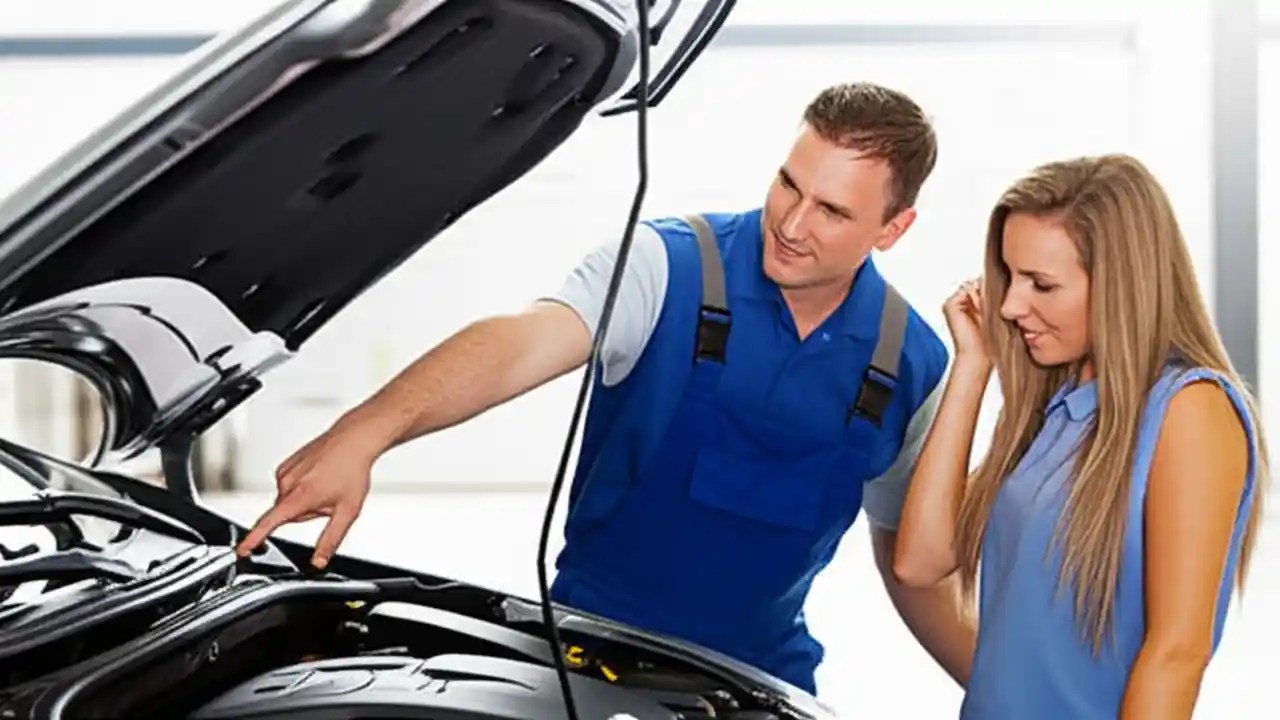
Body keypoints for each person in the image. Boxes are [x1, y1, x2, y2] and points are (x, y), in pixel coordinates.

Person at [235, 81, 978, 695]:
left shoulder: (909, 363)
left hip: (757, 686)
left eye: (833, 210)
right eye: (790, 183)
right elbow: (521, 340)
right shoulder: (667, 266)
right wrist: (367, 431)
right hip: (586, 662)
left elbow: (911, 568)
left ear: (893, 228)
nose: (790, 220)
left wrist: (1005, 690)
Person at [893, 153, 1269, 718]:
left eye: (1042, 285)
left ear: (1122, 285)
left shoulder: (1191, 410)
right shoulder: (1056, 408)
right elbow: (919, 562)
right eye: (1009, 276)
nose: (1012, 305)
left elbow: (1177, 652)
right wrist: (972, 366)